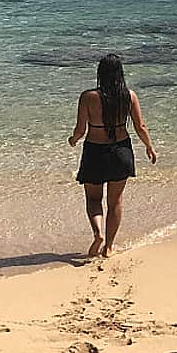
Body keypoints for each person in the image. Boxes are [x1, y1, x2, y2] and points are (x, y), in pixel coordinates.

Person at [68, 54, 157, 258]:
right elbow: (140, 126)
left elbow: (80, 130)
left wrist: (73, 140)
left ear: (100, 73)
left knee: (93, 199)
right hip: (120, 151)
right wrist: (149, 147)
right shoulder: (129, 96)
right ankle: (108, 247)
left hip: (94, 151)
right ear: (120, 73)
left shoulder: (88, 97)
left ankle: (98, 234)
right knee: (115, 202)